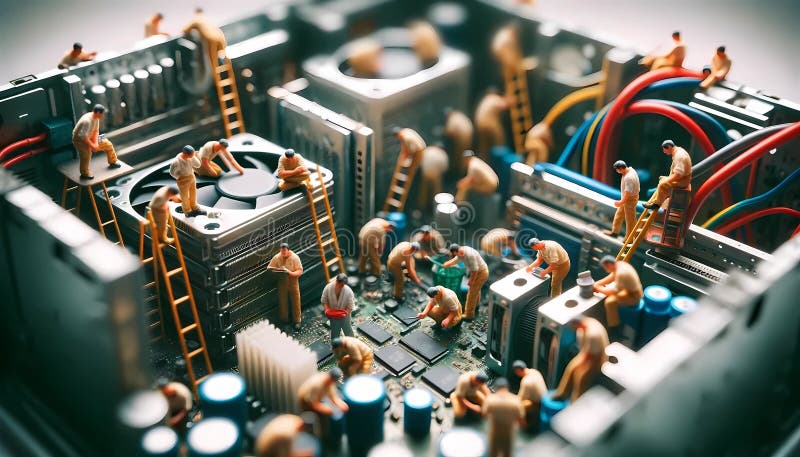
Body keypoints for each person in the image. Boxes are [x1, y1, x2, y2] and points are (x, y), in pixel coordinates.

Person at [552, 317, 609, 403]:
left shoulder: (593, 334)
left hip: (598, 358)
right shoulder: (581, 329)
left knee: (581, 377)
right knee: (571, 368)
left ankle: (576, 402)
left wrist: (578, 365)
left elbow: (591, 356)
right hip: (587, 354)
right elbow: (584, 351)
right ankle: (562, 393)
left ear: (577, 324)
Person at [593, 256, 643, 335]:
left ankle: (614, 328)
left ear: (609, 264)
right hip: (628, 290)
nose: (606, 270)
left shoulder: (621, 273)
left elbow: (614, 292)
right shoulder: (619, 264)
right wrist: (598, 284)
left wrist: (599, 289)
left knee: (609, 302)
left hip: (634, 296)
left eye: (605, 267)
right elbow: (611, 277)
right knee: (610, 297)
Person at [71, 104, 120, 180]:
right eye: (102, 114)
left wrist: (95, 144)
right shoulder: (86, 121)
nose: (103, 115)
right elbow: (83, 136)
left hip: (89, 137)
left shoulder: (96, 118)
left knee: (107, 144)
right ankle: (84, 173)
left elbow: (96, 131)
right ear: (97, 112)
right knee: (86, 154)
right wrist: (92, 146)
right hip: (79, 140)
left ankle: (112, 161)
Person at [297, 369, 349, 438]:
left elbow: (332, 396)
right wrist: (327, 409)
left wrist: (341, 404)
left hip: (317, 399)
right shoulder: (317, 384)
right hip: (306, 402)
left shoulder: (330, 383)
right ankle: (321, 436)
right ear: (329, 377)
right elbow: (313, 404)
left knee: (332, 410)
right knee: (319, 419)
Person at [444, 244, 488, 320]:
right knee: (476, 291)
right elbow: (456, 260)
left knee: (471, 294)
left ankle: (469, 315)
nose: (455, 255)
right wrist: (447, 264)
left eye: (454, 254)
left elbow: (475, 270)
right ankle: (476, 305)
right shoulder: (460, 252)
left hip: (481, 272)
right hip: (479, 271)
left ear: (456, 251)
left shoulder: (469, 255)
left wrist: (471, 281)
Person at [643, 140, 692, 209]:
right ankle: (651, 201)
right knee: (662, 179)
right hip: (681, 178)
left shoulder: (679, 156)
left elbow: (678, 175)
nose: (664, 152)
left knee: (663, 184)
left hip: (682, 181)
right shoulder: (677, 151)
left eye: (664, 150)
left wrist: (667, 180)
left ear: (669, 147)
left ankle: (656, 204)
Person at [482, 378, 524, 457]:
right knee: (507, 453)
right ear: (507, 387)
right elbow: (521, 420)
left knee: (493, 453)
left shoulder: (490, 399)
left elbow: (484, 415)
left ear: (496, 388)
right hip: (509, 432)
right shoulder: (516, 400)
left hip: (495, 432)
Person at [267, 243, 304, 331]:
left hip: (293, 281)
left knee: (296, 301)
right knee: (282, 300)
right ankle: (284, 319)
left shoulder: (295, 258)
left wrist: (290, 273)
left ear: (288, 250)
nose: (283, 254)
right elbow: (269, 267)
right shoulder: (277, 257)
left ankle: (297, 320)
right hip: (282, 281)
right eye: (281, 252)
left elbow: (299, 271)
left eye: (285, 252)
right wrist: (278, 271)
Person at [604, 160, 640, 238]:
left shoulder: (628, 177)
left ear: (621, 168)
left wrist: (621, 202)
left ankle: (630, 238)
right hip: (626, 198)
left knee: (630, 220)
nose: (617, 171)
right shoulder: (630, 169)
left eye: (617, 170)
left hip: (630, 199)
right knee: (619, 216)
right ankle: (615, 232)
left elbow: (628, 192)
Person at [169, 145, 206, 217]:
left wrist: (194, 156)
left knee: (193, 193)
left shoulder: (191, 157)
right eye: (191, 155)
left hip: (191, 176)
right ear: (185, 153)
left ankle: (194, 207)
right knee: (184, 196)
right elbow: (172, 172)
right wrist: (179, 178)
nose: (192, 156)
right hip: (182, 179)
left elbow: (198, 165)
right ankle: (187, 211)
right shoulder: (176, 162)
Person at [474, 90, 510, 157]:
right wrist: (509, 98)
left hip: (479, 124)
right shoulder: (495, 98)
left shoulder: (486, 98)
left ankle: (484, 161)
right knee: (499, 145)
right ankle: (499, 162)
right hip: (489, 124)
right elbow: (506, 104)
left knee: (484, 147)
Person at [512, 360, 547, 430]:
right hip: (545, 399)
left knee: (519, 407)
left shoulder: (526, 382)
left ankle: (525, 427)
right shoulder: (535, 371)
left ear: (518, 371)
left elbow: (520, 399)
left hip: (539, 405)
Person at [321, 274, 355, 340]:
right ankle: (335, 346)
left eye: (343, 285)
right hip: (332, 315)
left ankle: (352, 343)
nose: (341, 287)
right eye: (340, 284)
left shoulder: (348, 292)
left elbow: (350, 306)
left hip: (345, 315)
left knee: (347, 330)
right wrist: (327, 310)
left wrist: (344, 314)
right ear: (336, 281)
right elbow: (324, 301)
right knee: (334, 331)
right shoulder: (328, 288)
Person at [417, 145, 449, 209]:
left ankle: (421, 207)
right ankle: (435, 206)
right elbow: (445, 168)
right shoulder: (442, 154)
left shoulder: (427, 150)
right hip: (436, 175)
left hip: (425, 173)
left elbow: (419, 162)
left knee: (423, 190)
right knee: (436, 190)